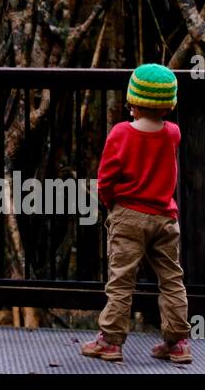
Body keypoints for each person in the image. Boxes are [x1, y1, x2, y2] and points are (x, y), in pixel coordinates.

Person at [81, 63, 192, 364]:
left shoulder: (120, 134)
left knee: (121, 280)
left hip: (128, 214)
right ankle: (178, 342)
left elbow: (106, 178)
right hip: (165, 218)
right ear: (169, 104)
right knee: (171, 279)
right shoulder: (173, 133)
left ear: (132, 100)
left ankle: (111, 342)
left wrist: (110, 204)